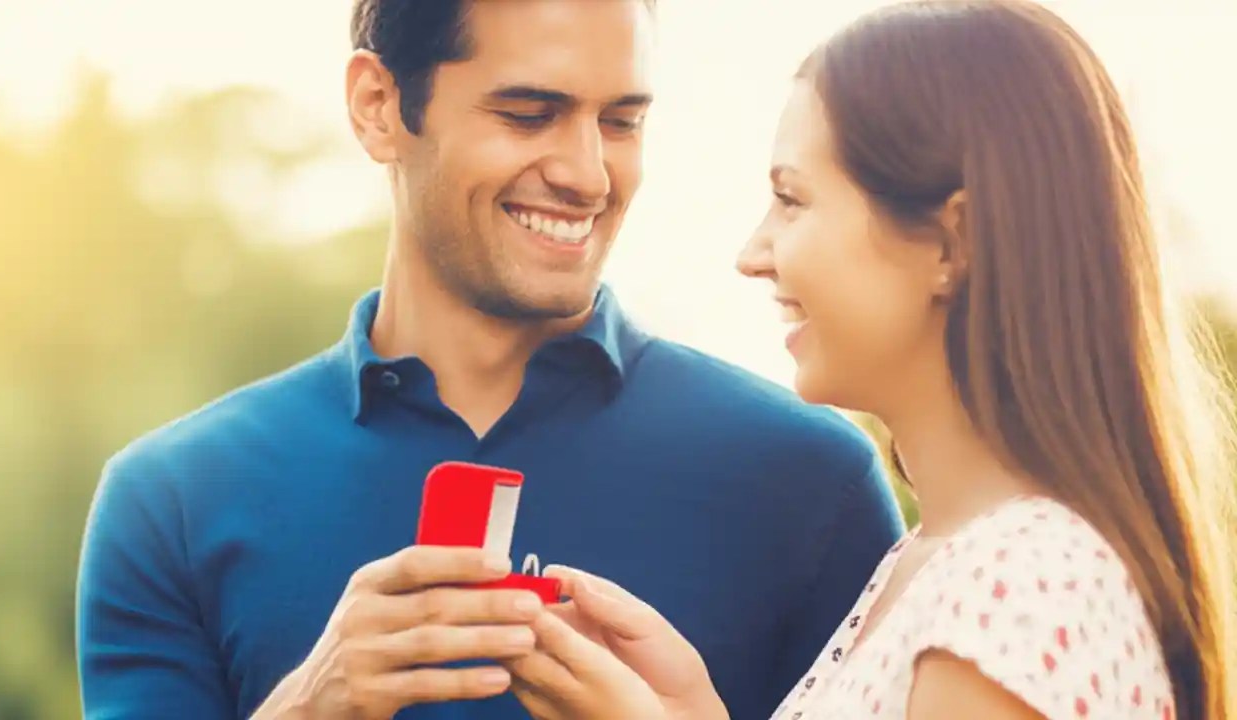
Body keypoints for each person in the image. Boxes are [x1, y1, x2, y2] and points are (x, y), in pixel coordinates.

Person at [74, 1, 905, 718]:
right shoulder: (169, 504)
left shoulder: (812, 484)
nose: (587, 174)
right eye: (528, 113)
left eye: (621, 121)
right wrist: (308, 706)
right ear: (378, 106)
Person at [499, 2, 1237, 719]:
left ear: (952, 243)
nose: (753, 255)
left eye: (792, 200)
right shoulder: (936, 562)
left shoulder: (1015, 592)